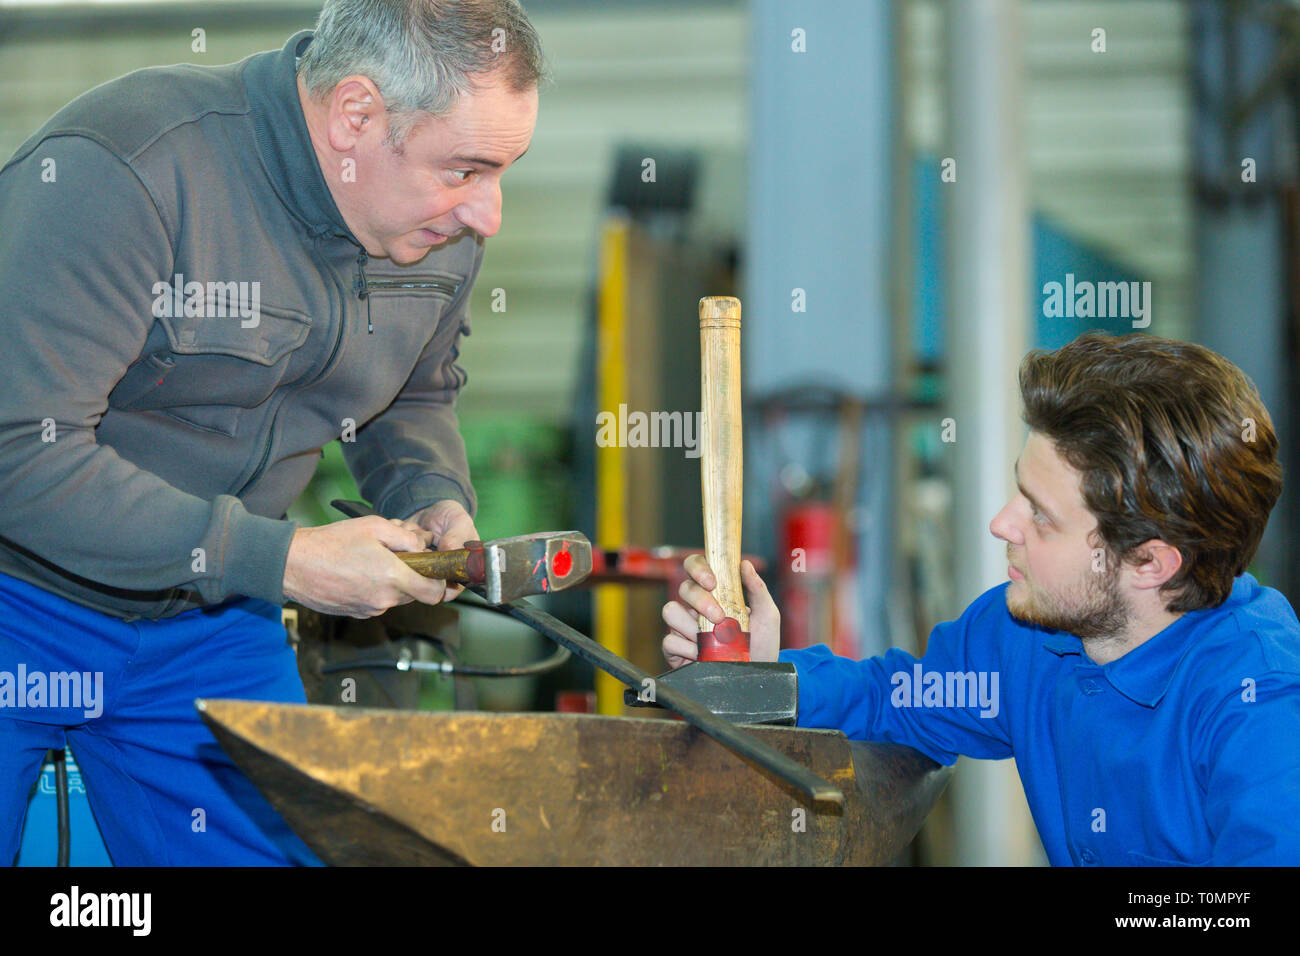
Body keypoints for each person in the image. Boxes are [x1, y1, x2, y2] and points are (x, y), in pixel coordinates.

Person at [0, 0, 542, 865]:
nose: (488, 214)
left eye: (505, 170)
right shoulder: (129, 169)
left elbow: (412, 396)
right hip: (18, 602)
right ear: (355, 115)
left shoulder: (431, 230)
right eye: (466, 169)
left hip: (210, 621)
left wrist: (432, 498)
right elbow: (18, 454)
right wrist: (283, 561)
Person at [662, 333, 1300, 866]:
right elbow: (896, 697)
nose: (1001, 522)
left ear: (1150, 562)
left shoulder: (1261, 700)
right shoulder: (1025, 636)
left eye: (1041, 517)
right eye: (1019, 490)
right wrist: (764, 679)